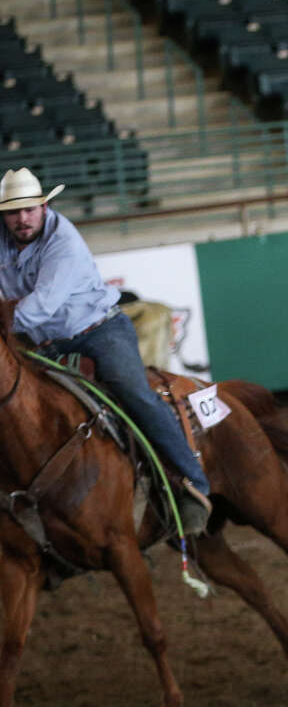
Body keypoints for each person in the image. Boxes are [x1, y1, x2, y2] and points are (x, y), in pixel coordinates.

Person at [0, 168, 211, 534]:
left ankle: (193, 485)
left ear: (44, 206)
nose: (22, 219)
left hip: (99, 330)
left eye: (30, 209)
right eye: (13, 211)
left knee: (134, 393)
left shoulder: (62, 241)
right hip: (43, 342)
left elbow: (40, 306)